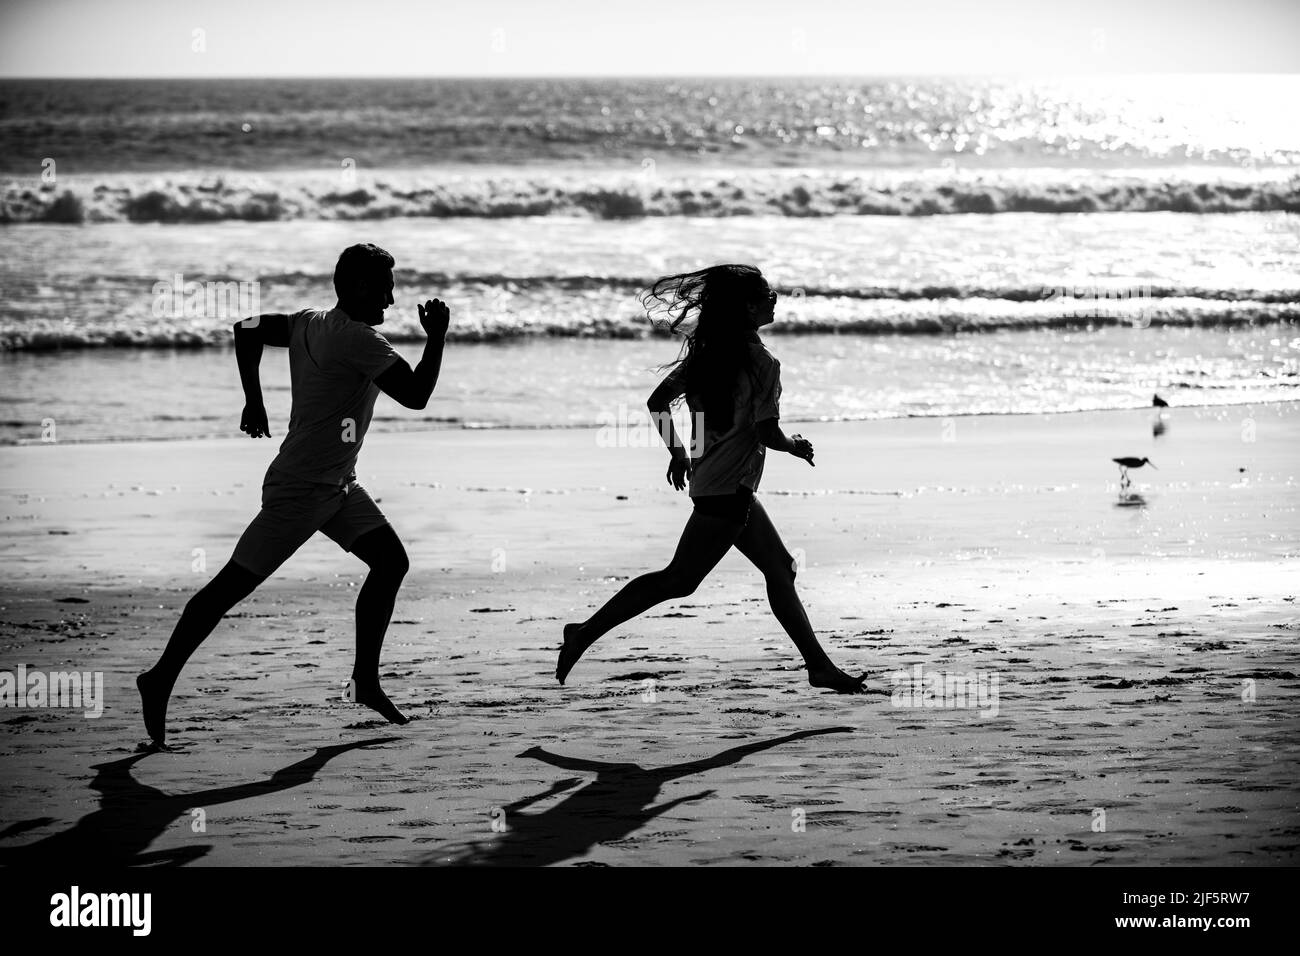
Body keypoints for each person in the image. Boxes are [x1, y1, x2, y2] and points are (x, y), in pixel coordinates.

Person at [137, 243, 451, 745]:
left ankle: (365, 681)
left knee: (390, 562)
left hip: (337, 485)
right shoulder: (360, 340)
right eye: (384, 287)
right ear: (357, 287)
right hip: (302, 491)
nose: (391, 298)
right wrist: (436, 338)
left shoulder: (311, 322)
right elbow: (416, 396)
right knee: (226, 590)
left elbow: (246, 329)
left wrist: (253, 401)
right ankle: (159, 679)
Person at [557, 264, 866, 693]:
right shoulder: (762, 363)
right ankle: (584, 632)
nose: (773, 298)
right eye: (764, 294)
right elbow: (766, 433)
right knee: (678, 580)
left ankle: (819, 667)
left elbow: (656, 402)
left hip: (719, 485)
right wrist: (795, 445)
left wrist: (678, 452)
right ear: (745, 307)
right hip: (728, 493)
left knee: (780, 567)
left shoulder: (708, 356)